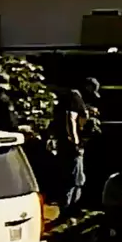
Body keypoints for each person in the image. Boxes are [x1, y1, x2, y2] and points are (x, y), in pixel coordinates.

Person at [50, 84, 89, 218]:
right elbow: (71, 120)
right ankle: (69, 210)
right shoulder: (73, 105)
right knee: (75, 179)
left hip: (63, 146)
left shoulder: (60, 108)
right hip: (72, 148)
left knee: (70, 178)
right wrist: (76, 142)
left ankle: (67, 208)